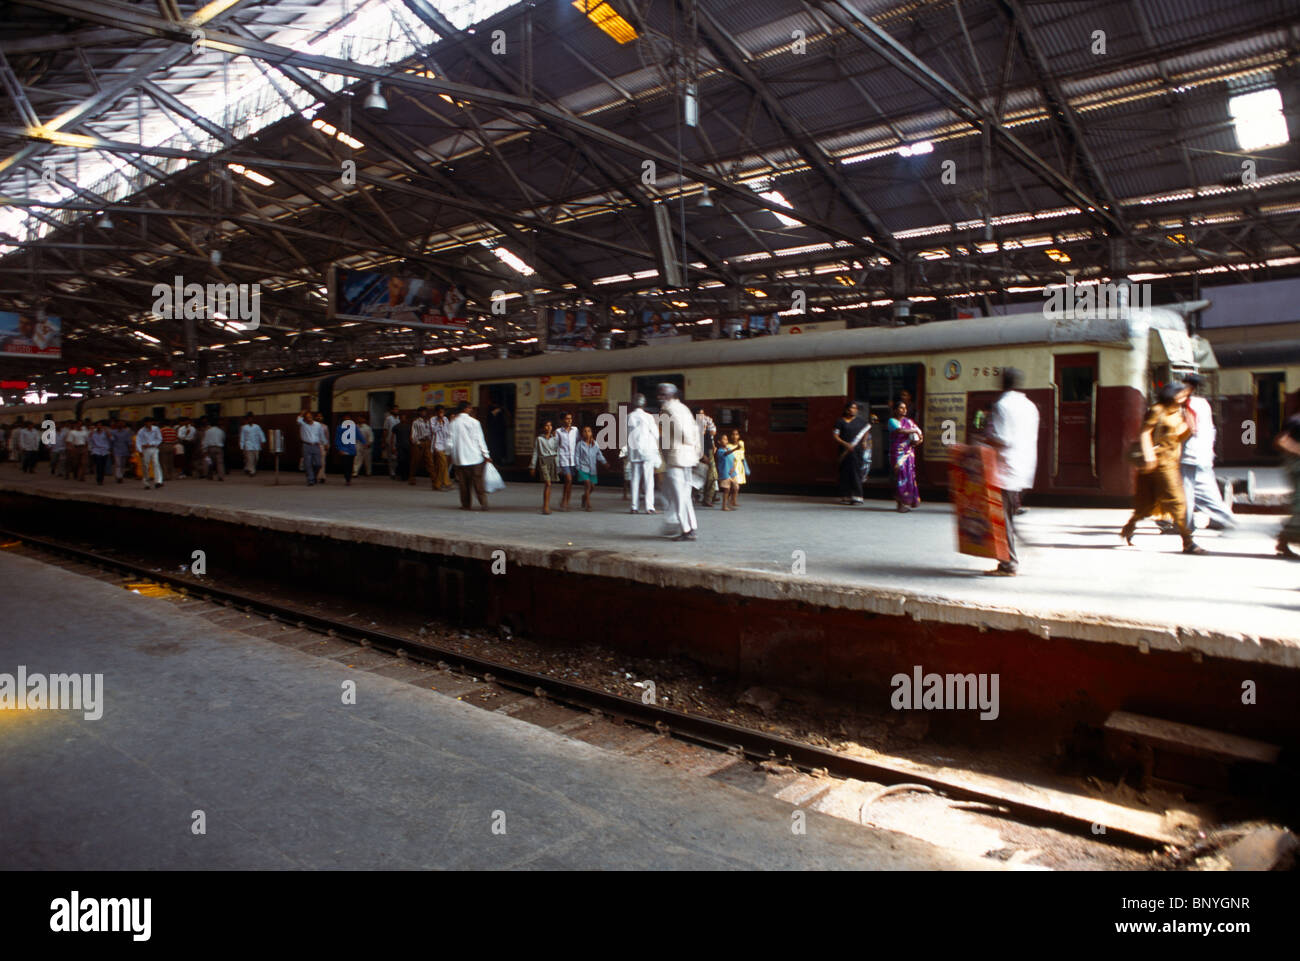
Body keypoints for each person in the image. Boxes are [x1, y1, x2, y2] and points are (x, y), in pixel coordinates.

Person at [1120, 382, 1205, 555]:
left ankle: (1130, 526)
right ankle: (1188, 543)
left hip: (1171, 462)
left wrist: (1189, 427)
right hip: (1158, 463)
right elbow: (1145, 432)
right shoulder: (1158, 410)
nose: (1183, 397)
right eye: (1180, 394)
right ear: (1170, 394)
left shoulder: (1180, 412)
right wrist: (1149, 455)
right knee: (1177, 502)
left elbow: (1178, 438)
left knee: (1148, 503)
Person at [982, 368, 1040, 576]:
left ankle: (1008, 564)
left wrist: (983, 439)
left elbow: (1002, 439)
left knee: (1002, 518)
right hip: (1024, 469)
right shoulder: (1030, 406)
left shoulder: (1002, 405)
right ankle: (1010, 555)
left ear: (1002, 383)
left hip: (1005, 469)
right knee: (1007, 517)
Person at [1178, 372, 1235, 533]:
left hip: (1191, 455)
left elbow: (1191, 427)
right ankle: (1187, 525)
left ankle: (1231, 523)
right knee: (1192, 492)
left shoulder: (1187, 404)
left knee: (1195, 493)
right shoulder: (1203, 403)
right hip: (1204, 453)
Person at [657, 383, 701, 540]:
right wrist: (694, 450)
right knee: (685, 495)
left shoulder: (668, 409)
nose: (659, 397)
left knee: (678, 496)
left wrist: (686, 442)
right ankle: (692, 527)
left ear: (671, 395)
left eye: (662, 394)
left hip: (676, 458)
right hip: (688, 457)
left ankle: (685, 530)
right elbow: (695, 430)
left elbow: (683, 432)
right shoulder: (684, 408)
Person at [448, 401, 491, 510]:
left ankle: (466, 505)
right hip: (475, 458)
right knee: (478, 482)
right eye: (470, 408)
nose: (471, 409)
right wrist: (486, 454)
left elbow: (449, 443)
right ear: (467, 409)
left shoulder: (453, 423)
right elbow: (480, 439)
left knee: (463, 484)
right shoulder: (475, 422)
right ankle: (483, 503)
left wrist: (449, 454)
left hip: (460, 459)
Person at [1273, 408, 1300, 558]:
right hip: (1296, 467)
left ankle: (1284, 540)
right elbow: (1282, 440)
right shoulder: (1296, 420)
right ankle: (1285, 539)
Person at [888, 400, 923, 511]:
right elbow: (900, 430)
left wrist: (918, 440)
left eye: (905, 408)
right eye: (901, 408)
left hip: (908, 452)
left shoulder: (909, 421)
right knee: (900, 475)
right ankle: (900, 504)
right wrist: (914, 431)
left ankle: (906, 502)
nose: (904, 410)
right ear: (895, 410)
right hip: (897, 452)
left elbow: (920, 435)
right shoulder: (891, 421)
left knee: (909, 476)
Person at [626, 394, 659, 514]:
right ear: (644, 404)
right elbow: (656, 434)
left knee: (635, 479)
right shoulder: (649, 417)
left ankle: (634, 507)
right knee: (648, 480)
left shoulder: (628, 416)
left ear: (633, 403)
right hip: (648, 451)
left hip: (634, 452)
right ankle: (649, 507)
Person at [834, 402, 870, 504]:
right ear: (846, 410)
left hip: (857, 450)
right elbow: (835, 435)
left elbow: (866, 430)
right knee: (844, 471)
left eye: (855, 408)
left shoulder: (860, 421)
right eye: (850, 408)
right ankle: (845, 495)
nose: (852, 410)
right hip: (844, 450)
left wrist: (864, 441)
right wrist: (845, 444)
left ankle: (857, 495)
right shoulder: (840, 421)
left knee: (856, 471)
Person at [529, 419, 559, 514]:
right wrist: (532, 466)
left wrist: (558, 465)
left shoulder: (555, 439)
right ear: (543, 428)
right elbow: (535, 452)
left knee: (549, 485)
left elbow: (557, 451)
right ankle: (545, 507)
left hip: (552, 461)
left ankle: (546, 505)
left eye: (550, 425)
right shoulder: (539, 439)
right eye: (546, 425)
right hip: (543, 461)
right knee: (548, 483)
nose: (549, 427)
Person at [575, 425, 607, 511]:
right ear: (582, 434)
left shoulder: (595, 444)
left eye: (589, 431)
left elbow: (599, 454)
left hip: (592, 469)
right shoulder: (580, 444)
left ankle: (584, 496)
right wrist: (578, 467)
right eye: (585, 431)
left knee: (592, 487)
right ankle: (588, 505)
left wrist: (604, 462)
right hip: (583, 468)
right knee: (588, 484)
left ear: (591, 433)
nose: (587, 433)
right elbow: (577, 456)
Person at [555, 412, 579, 511]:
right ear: (562, 420)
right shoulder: (558, 431)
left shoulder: (575, 430)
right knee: (568, 480)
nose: (569, 420)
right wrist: (557, 463)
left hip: (573, 460)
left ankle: (566, 501)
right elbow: (556, 446)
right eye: (567, 419)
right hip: (563, 459)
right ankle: (564, 501)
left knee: (569, 482)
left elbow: (578, 442)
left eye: (570, 418)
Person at [695, 408, 718, 507]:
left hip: (708, 452)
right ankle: (696, 496)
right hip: (699, 454)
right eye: (699, 414)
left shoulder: (706, 422)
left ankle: (708, 498)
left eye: (703, 413)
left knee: (712, 476)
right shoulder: (692, 426)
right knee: (696, 477)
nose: (702, 416)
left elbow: (713, 433)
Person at [297, 410, 326, 486]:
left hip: (316, 445)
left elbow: (321, 434)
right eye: (306, 417)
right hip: (306, 445)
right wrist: (301, 414)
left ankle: (313, 476)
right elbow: (298, 420)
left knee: (318, 464)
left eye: (310, 416)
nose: (308, 418)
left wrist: (325, 443)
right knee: (308, 464)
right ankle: (311, 480)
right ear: (305, 418)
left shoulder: (318, 425)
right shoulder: (303, 424)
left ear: (312, 417)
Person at [136, 417, 164, 489]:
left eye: (150, 422)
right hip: (145, 450)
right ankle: (146, 483)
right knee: (145, 465)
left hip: (154, 448)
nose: (148, 424)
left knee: (156, 463)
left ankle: (158, 481)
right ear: (144, 423)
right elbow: (138, 441)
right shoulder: (141, 431)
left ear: (152, 422)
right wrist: (140, 450)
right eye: (147, 422)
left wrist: (152, 443)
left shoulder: (156, 429)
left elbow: (159, 439)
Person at [410, 406, 434, 487]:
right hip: (419, 442)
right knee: (415, 461)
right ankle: (412, 477)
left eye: (425, 411)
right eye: (422, 412)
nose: (424, 413)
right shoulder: (416, 422)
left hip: (427, 442)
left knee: (429, 461)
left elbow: (430, 432)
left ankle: (434, 478)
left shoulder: (428, 421)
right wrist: (417, 442)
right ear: (419, 413)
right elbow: (413, 434)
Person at [716, 430, 739, 510]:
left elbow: (733, 459)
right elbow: (726, 454)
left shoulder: (728, 449)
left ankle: (732, 502)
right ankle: (724, 506)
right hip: (725, 472)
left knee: (735, 487)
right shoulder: (720, 451)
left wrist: (733, 468)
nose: (726, 440)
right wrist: (735, 449)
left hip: (732, 472)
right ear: (719, 441)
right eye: (724, 439)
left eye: (726, 439)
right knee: (727, 489)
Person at [431, 405, 452, 490]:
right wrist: (439, 423)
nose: (441, 414)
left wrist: (443, 423)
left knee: (442, 465)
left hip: (445, 444)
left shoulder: (446, 419)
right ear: (436, 413)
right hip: (437, 444)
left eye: (443, 412)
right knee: (443, 463)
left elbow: (447, 431)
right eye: (440, 412)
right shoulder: (432, 420)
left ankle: (439, 484)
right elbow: (433, 430)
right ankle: (444, 483)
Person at [726, 428, 747, 507]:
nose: (735, 436)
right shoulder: (728, 445)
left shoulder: (741, 443)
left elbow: (742, 455)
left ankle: (734, 501)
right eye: (733, 434)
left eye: (736, 434)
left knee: (737, 485)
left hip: (739, 466)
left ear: (739, 436)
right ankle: (727, 500)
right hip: (731, 466)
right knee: (732, 486)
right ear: (731, 436)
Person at [335, 416, 357, 486]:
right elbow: (337, 439)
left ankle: (349, 478)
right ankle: (347, 478)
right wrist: (339, 448)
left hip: (351, 449)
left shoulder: (354, 428)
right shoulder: (340, 428)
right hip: (343, 449)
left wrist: (364, 443)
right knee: (345, 464)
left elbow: (358, 436)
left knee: (350, 465)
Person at [88, 421, 111, 485]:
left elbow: (111, 439)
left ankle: (101, 478)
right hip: (96, 450)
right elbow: (89, 440)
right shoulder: (93, 433)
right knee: (98, 465)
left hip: (104, 451)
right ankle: (98, 478)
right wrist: (91, 433)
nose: (99, 427)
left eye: (100, 425)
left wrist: (108, 432)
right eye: (97, 425)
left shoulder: (105, 433)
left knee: (103, 466)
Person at [393, 411, 412, 482]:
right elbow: (393, 437)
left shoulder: (409, 426)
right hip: (399, 446)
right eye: (402, 418)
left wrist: (412, 445)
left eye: (404, 418)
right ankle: (400, 475)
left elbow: (411, 436)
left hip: (407, 446)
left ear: (406, 419)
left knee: (407, 461)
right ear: (400, 419)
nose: (403, 419)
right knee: (400, 460)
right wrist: (393, 446)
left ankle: (406, 475)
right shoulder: (396, 427)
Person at [383, 404, 401, 480]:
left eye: (397, 409)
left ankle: (397, 472)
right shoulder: (388, 419)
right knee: (391, 458)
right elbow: (385, 430)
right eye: (395, 409)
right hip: (389, 440)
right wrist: (384, 441)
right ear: (391, 410)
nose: (396, 411)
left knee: (397, 457)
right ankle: (392, 472)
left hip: (398, 440)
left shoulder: (399, 419)